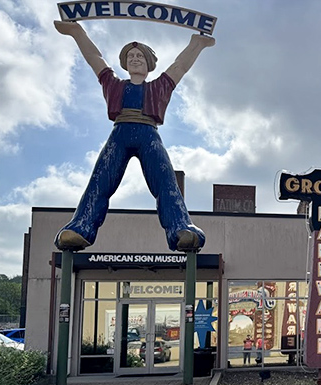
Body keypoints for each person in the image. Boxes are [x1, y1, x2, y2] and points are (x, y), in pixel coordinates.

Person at [52, 20, 214, 252]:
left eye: (140, 56)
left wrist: (196, 44)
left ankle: (180, 228)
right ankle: (80, 227)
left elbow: (180, 66)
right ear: (125, 64)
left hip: (149, 134)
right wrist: (78, 33)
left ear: (149, 63)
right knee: (100, 179)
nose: (135, 59)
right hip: (120, 133)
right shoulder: (113, 84)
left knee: (165, 181)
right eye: (131, 56)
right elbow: (95, 58)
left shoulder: (159, 86)